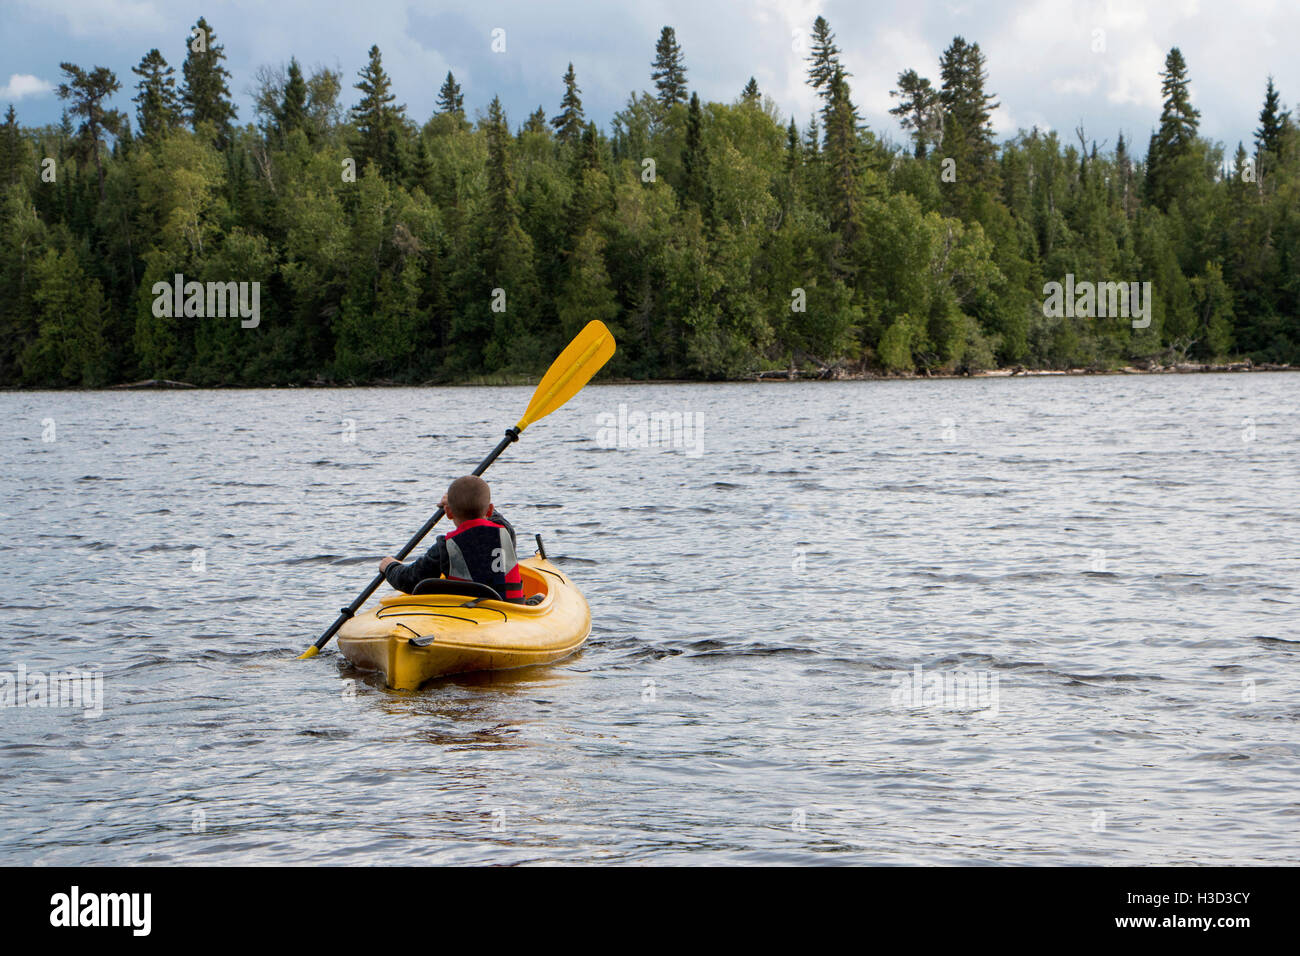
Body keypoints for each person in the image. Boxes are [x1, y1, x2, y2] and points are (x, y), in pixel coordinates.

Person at [379, 475, 525, 602]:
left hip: (469, 613)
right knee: (538, 597)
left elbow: (410, 580)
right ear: (490, 509)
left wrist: (390, 567)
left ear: (448, 513)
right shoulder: (505, 531)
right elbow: (494, 517)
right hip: (511, 609)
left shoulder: (446, 547)